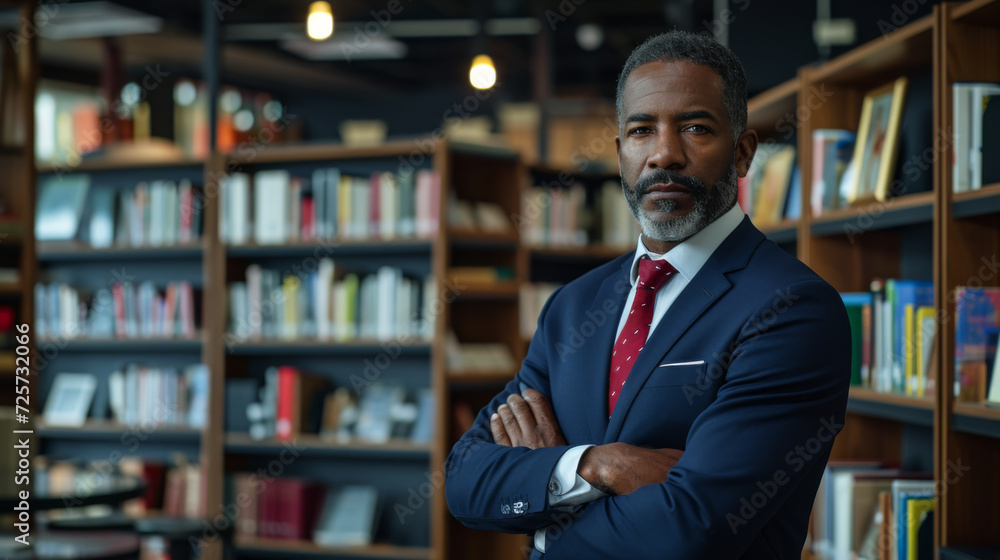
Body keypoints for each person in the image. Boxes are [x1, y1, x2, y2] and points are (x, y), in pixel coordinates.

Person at [445, 30, 851, 559]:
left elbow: (694, 527)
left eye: (695, 128)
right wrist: (597, 465)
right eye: (642, 131)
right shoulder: (573, 306)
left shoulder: (792, 309)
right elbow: (464, 480)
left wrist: (545, 517)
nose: (664, 154)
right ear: (621, 155)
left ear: (743, 152)